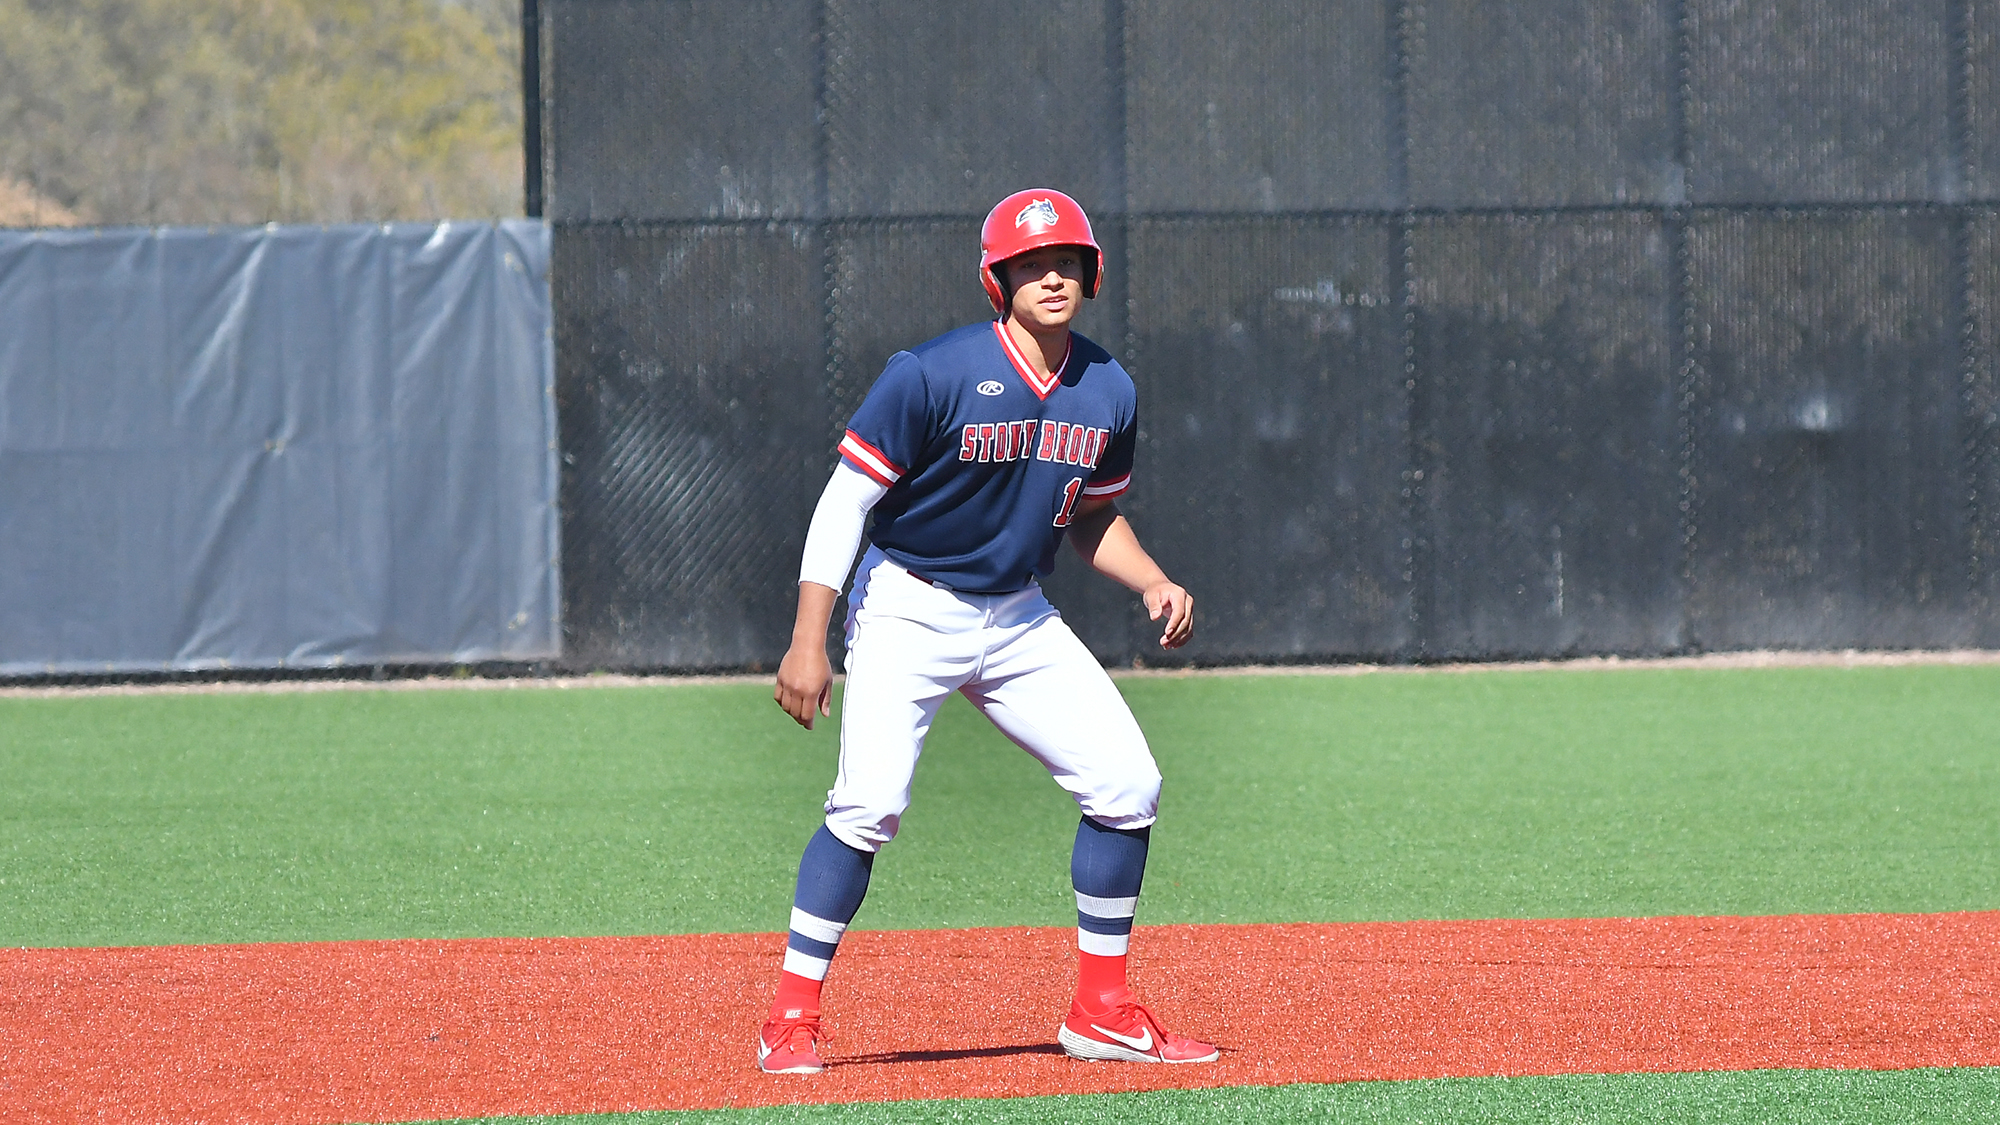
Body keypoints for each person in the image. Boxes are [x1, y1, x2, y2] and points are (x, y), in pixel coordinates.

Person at [759, 188, 1215, 1074]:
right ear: (995, 279)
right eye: (1030, 265)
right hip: (908, 605)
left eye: (1066, 262)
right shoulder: (930, 373)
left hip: (1017, 616)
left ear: (1092, 273)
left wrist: (1154, 578)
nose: (1052, 276)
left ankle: (1102, 1009)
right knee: (868, 805)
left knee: (1128, 784)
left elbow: (1089, 517)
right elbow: (845, 500)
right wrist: (808, 637)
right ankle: (789, 1014)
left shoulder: (1107, 387)